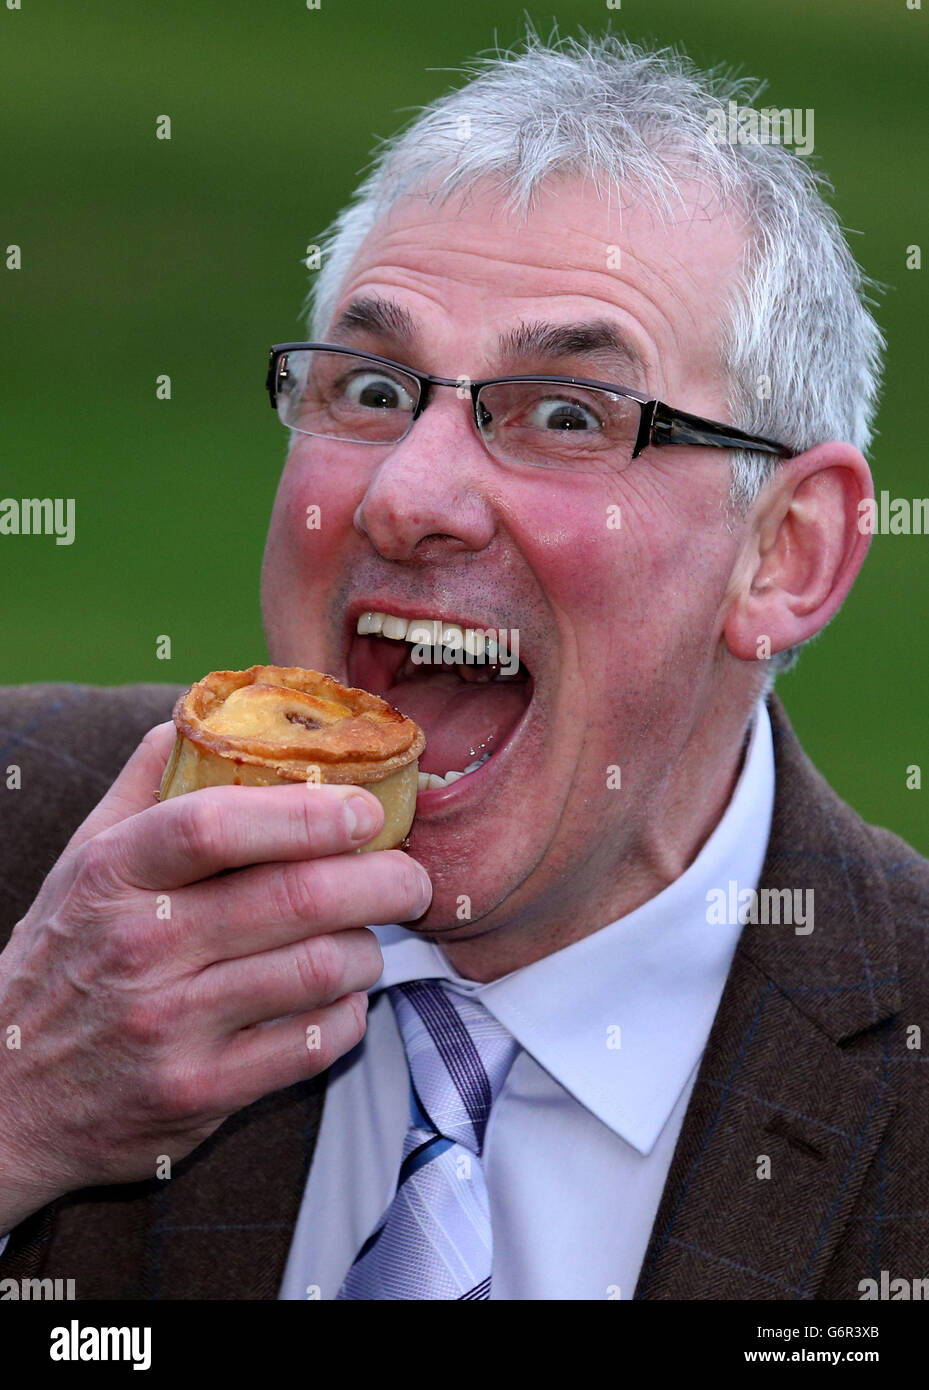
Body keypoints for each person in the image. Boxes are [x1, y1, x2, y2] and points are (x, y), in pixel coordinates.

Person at [1, 30, 925, 1301]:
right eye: (373, 390)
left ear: (784, 553)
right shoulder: (27, 855)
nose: (408, 494)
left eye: (563, 415)